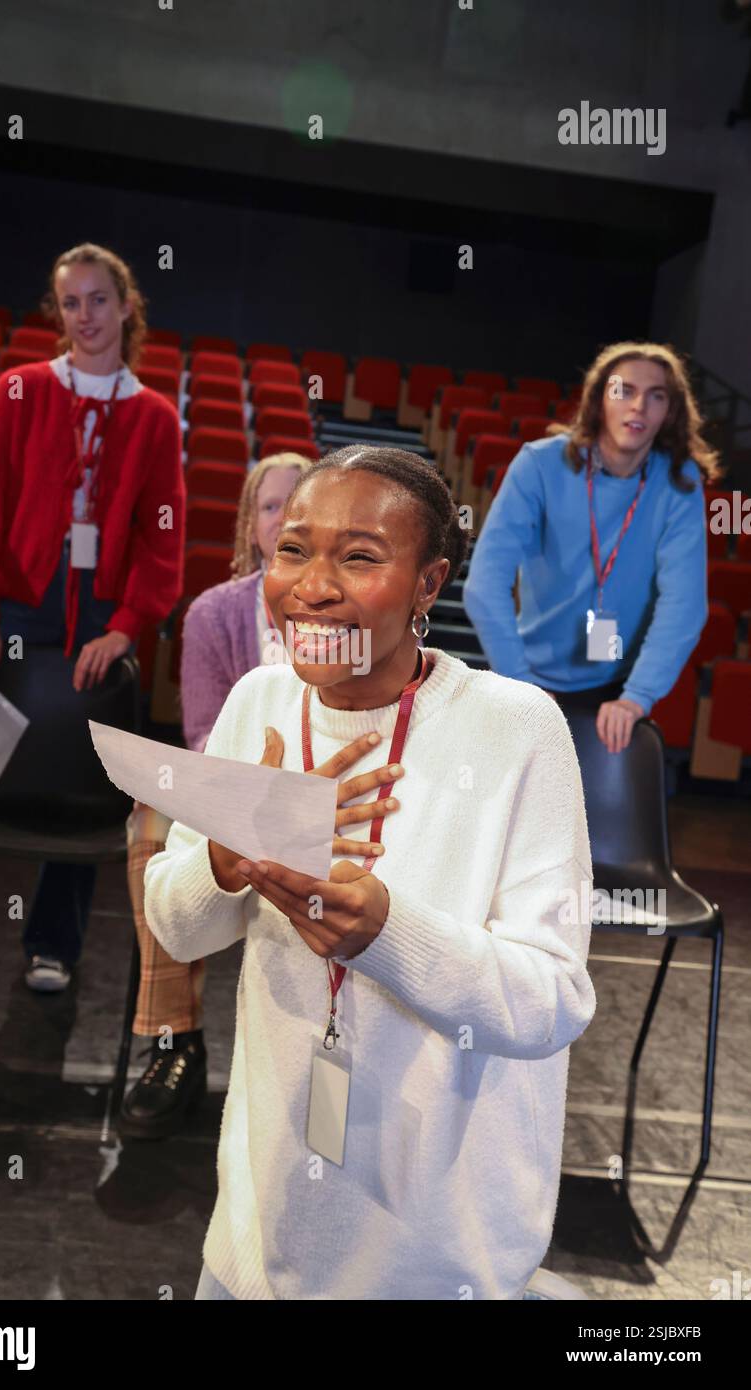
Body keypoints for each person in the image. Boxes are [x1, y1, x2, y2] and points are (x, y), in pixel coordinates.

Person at [144, 444, 596, 1301]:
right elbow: (175, 922)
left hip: (433, 1255)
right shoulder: (257, 703)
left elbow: (550, 1002)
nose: (312, 584)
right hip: (257, 1233)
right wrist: (222, 860)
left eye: (358, 556)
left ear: (428, 585)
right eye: (292, 548)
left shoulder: (516, 730)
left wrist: (387, 933)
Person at [0, 242, 185, 992]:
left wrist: (126, 625)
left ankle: (51, 944)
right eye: (70, 302)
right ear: (57, 312)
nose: (84, 315)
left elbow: (161, 535)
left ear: (126, 306)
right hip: (18, 603)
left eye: (98, 299)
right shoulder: (20, 388)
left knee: (89, 773)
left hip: (97, 617)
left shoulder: (154, 417)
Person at [120, 452, 314, 1139]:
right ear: (249, 526)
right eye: (271, 506)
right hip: (233, 793)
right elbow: (205, 741)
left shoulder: (350, 609)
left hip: (328, 798)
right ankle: (174, 1042)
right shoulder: (213, 614)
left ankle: (327, 1061)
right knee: (151, 820)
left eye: (302, 503)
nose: (287, 516)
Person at [463, 342, 720, 753]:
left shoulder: (678, 482)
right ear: (599, 398)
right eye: (625, 390)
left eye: (657, 396)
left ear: (669, 413)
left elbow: (684, 603)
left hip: (616, 690)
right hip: (527, 674)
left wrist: (638, 696)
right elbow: (484, 585)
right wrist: (521, 683)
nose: (639, 405)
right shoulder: (539, 464)